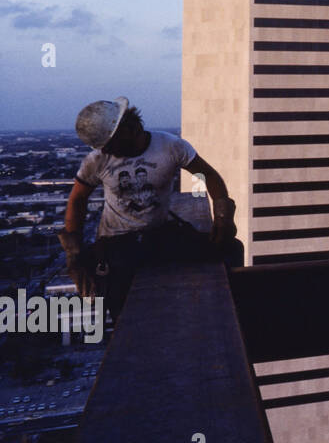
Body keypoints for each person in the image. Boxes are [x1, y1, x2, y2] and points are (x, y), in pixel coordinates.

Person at [59, 97, 239, 320]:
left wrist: (223, 216)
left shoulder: (170, 147)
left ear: (131, 128)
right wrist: (74, 252)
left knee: (228, 249)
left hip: (158, 234)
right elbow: (78, 200)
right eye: (104, 147)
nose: (109, 151)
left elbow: (207, 175)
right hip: (116, 244)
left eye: (112, 144)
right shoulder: (97, 160)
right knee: (127, 311)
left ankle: (227, 319)